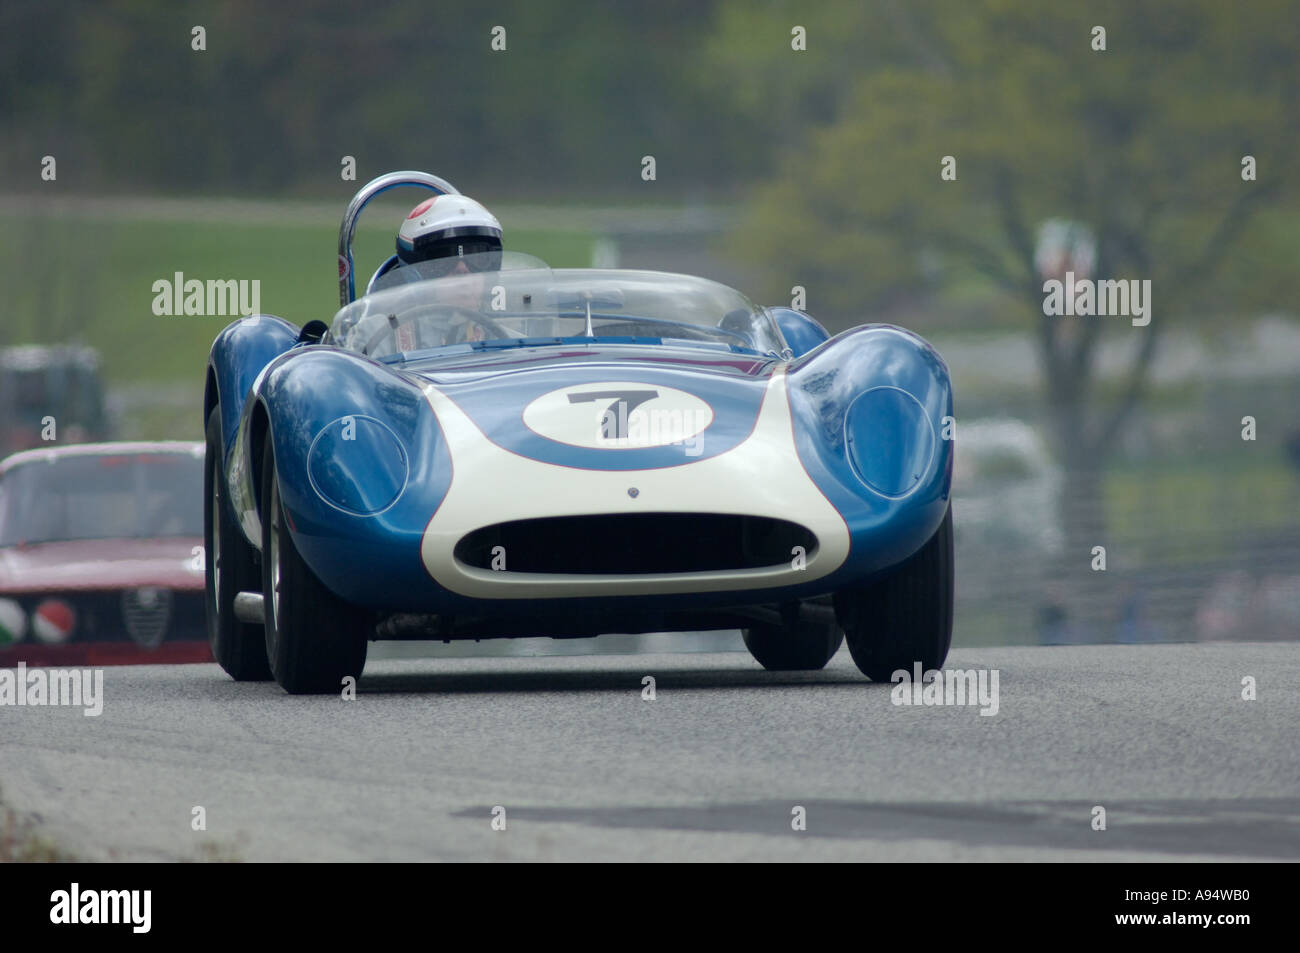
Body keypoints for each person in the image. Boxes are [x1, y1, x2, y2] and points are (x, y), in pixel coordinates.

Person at [387, 194, 505, 346]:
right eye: (443, 260)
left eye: (476, 258)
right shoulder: (381, 335)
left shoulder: (507, 337)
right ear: (413, 270)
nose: (462, 270)